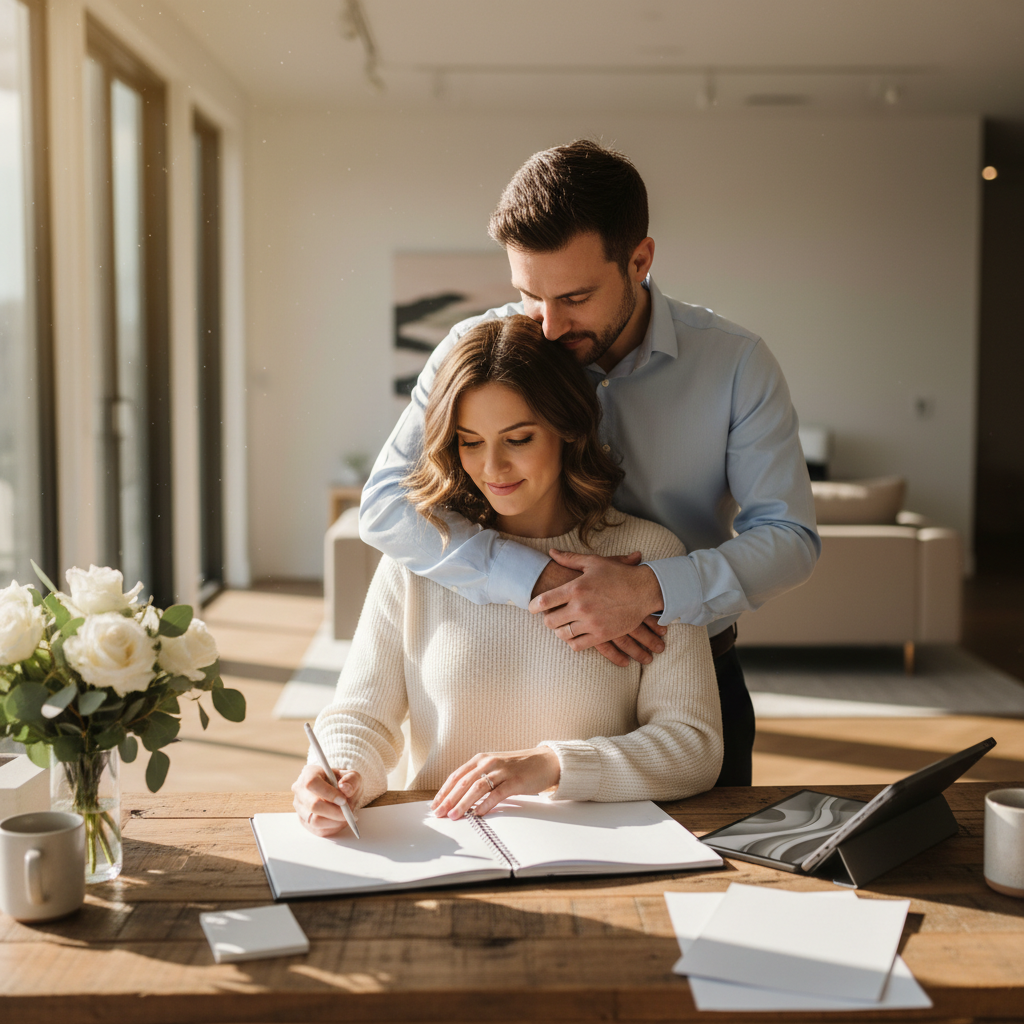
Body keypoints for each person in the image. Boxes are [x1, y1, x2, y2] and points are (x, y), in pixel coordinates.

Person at [359, 140, 820, 787]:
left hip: (685, 669)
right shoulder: (480, 350)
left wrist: (652, 590)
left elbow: (789, 538)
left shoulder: (735, 364)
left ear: (640, 260)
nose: (546, 326)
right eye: (528, 296)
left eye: (574, 297)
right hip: (524, 660)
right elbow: (385, 505)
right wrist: (541, 578)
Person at [292, 316, 723, 835]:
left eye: (517, 438)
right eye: (470, 442)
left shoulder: (648, 557)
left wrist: (548, 765)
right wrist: (338, 772)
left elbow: (693, 745)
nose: (491, 467)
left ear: (567, 429)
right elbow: (361, 718)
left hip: (596, 856)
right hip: (449, 856)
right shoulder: (421, 558)